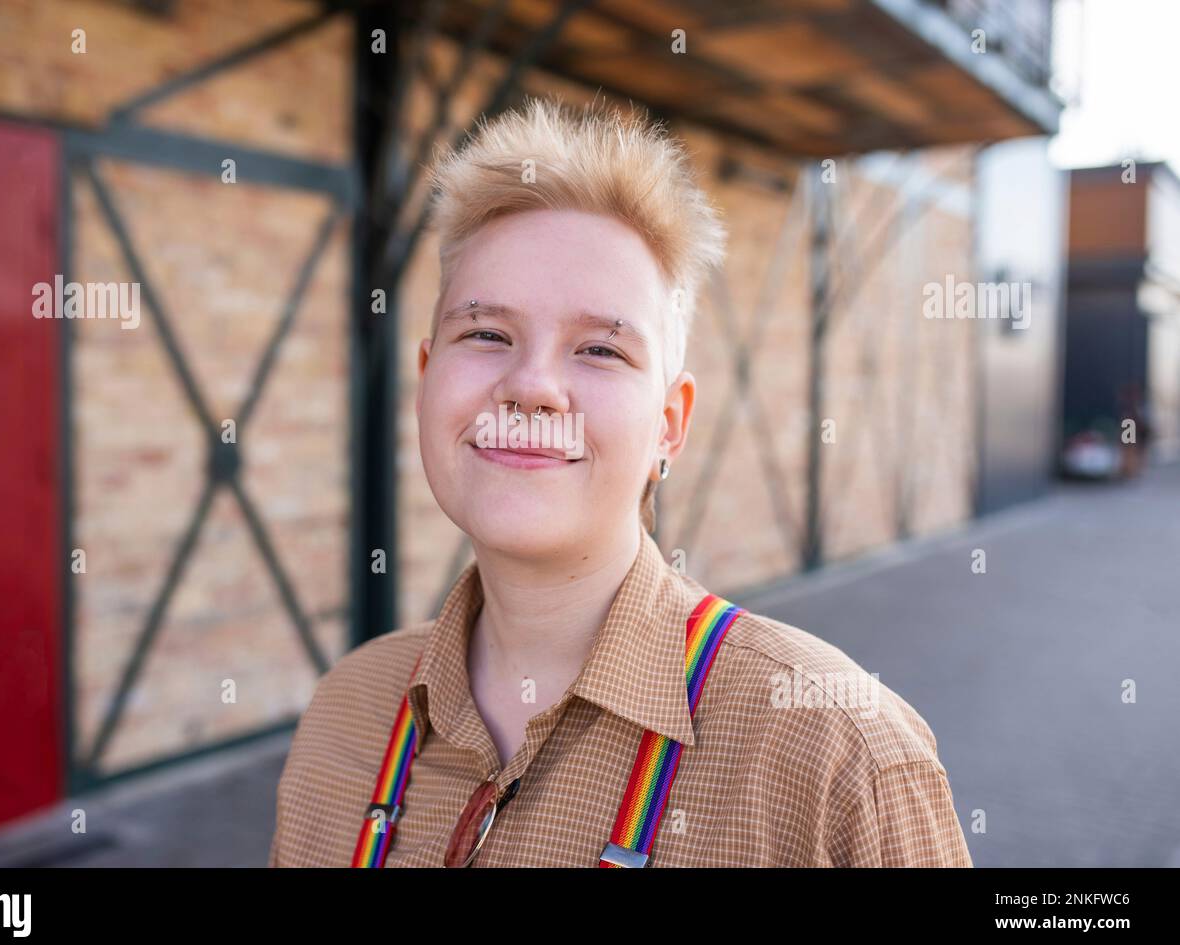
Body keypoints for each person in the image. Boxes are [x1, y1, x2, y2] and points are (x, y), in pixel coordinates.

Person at [269, 96, 972, 867]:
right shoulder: (346, 712)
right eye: (487, 333)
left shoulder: (840, 755)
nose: (531, 386)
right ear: (427, 379)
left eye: (601, 350)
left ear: (670, 422)